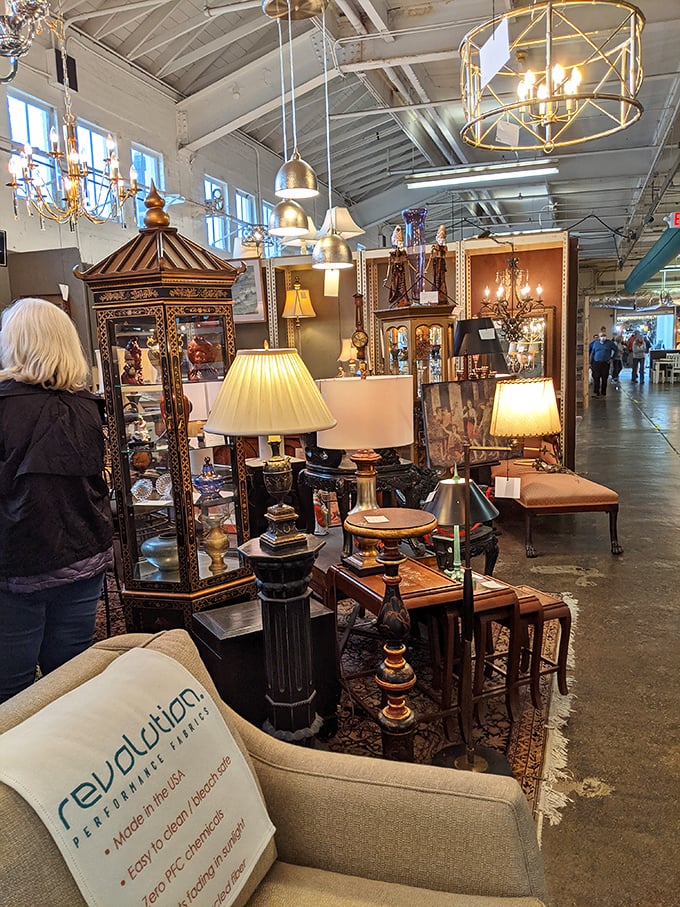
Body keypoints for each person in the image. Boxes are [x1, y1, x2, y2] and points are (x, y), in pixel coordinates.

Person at [0, 297, 114, 703]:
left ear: (13, 342)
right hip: (83, 554)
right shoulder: (88, 406)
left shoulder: (4, 406)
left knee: (12, 689)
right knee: (72, 680)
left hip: (16, 563)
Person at [589, 331, 616, 397]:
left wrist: (612, 358)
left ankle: (603, 393)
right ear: (599, 337)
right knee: (596, 378)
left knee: (604, 378)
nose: (603, 337)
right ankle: (596, 392)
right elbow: (592, 353)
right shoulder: (596, 343)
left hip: (605, 363)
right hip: (596, 363)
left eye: (604, 335)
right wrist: (590, 362)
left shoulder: (610, 343)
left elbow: (616, 350)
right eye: (601, 336)